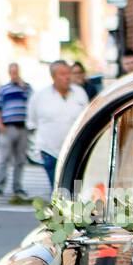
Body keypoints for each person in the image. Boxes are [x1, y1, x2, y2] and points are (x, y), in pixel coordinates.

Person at [27, 60, 90, 193]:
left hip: (75, 150)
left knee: (75, 188)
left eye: (69, 73)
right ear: (53, 76)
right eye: (62, 74)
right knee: (58, 189)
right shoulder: (40, 97)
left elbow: (87, 118)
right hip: (50, 151)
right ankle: (60, 212)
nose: (67, 77)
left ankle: (73, 212)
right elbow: (31, 123)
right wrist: (37, 147)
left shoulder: (80, 93)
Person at [0, 63, 32, 198]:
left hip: (23, 127)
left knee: (20, 160)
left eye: (16, 72)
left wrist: (22, 86)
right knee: (4, 159)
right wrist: (0, 125)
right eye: (12, 72)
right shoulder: (3, 89)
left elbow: (32, 102)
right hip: (8, 127)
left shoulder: (26, 87)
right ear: (9, 73)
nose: (14, 74)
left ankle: (17, 187)